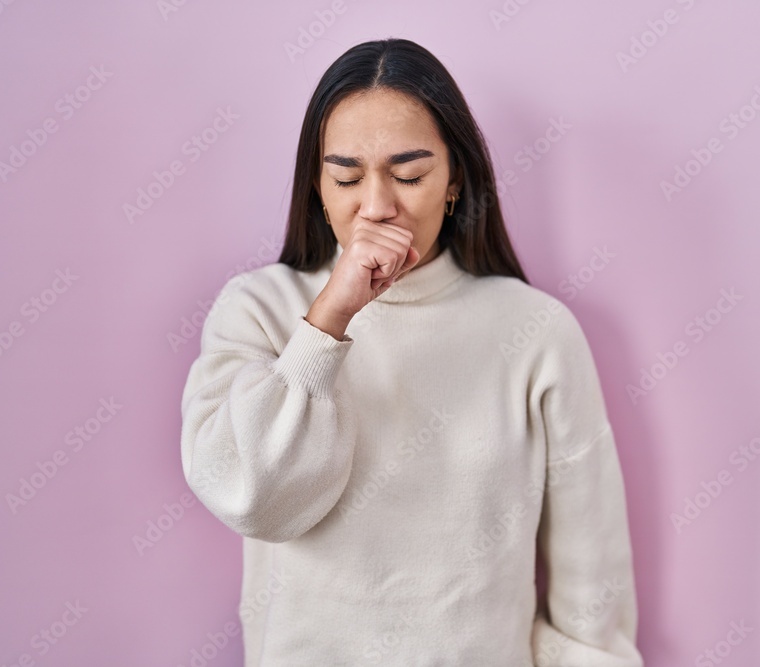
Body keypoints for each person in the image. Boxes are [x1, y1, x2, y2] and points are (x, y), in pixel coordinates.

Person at [180, 37, 643, 666]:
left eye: (409, 176)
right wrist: (329, 320)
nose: (377, 207)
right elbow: (256, 500)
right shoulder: (256, 309)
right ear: (317, 186)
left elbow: (593, 572)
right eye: (347, 177)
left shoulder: (535, 331)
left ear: (454, 181)